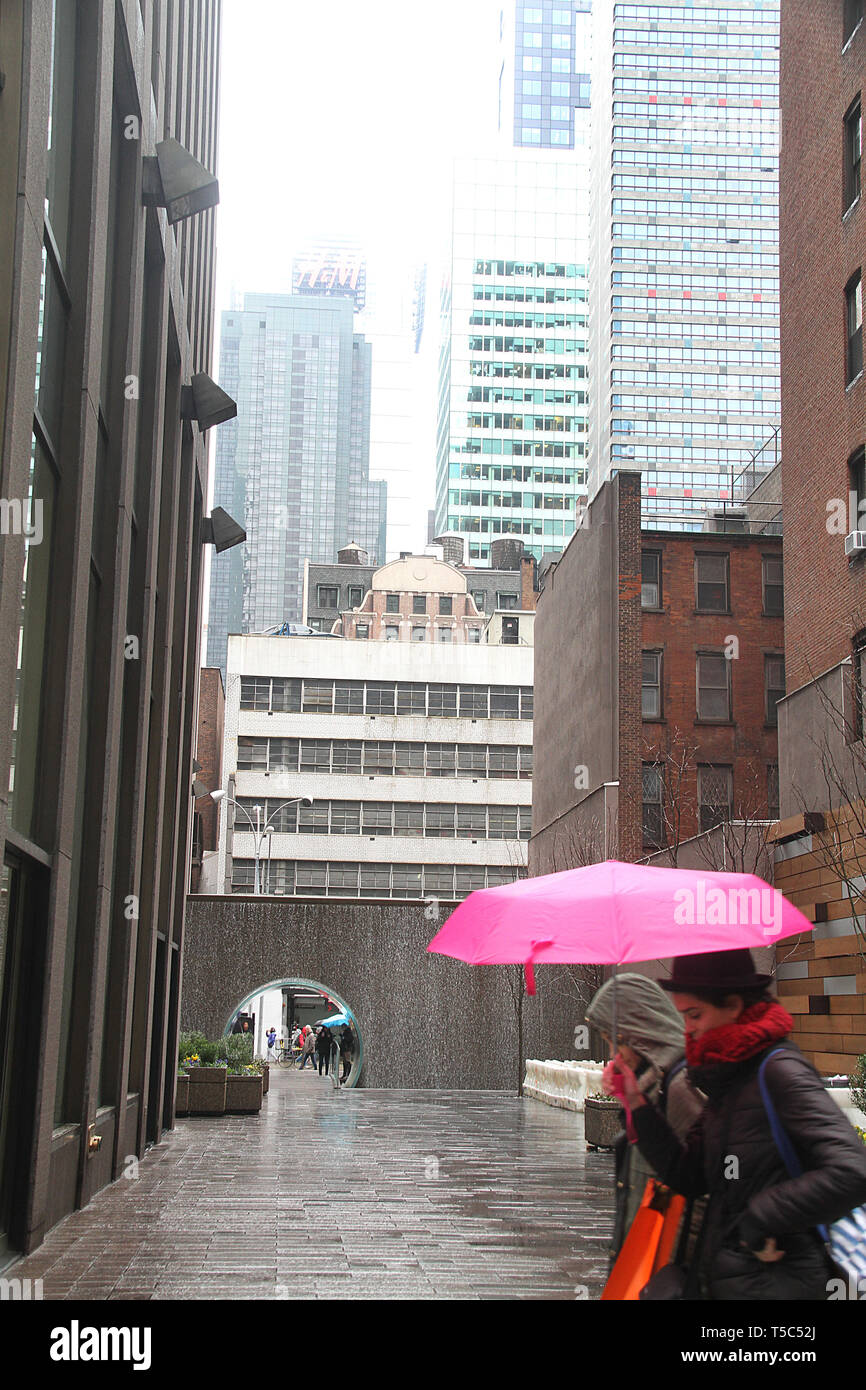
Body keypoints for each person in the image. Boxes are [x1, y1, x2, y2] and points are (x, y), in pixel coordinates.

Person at [617, 948, 866, 1300]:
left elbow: (853, 1170)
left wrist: (759, 1220)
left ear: (733, 1006)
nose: (688, 1029)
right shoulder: (730, 1078)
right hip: (728, 1277)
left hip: (779, 1282)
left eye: (695, 1015)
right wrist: (636, 1104)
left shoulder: (780, 1072)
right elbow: (690, 1176)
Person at [586, 972, 705, 1267]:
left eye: (618, 1043)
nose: (614, 1054)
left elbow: (697, 1184)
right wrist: (630, 1101)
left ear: (643, 1035)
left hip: (662, 1265)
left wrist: (671, 1266)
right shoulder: (652, 1083)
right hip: (646, 1260)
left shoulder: (680, 1086)